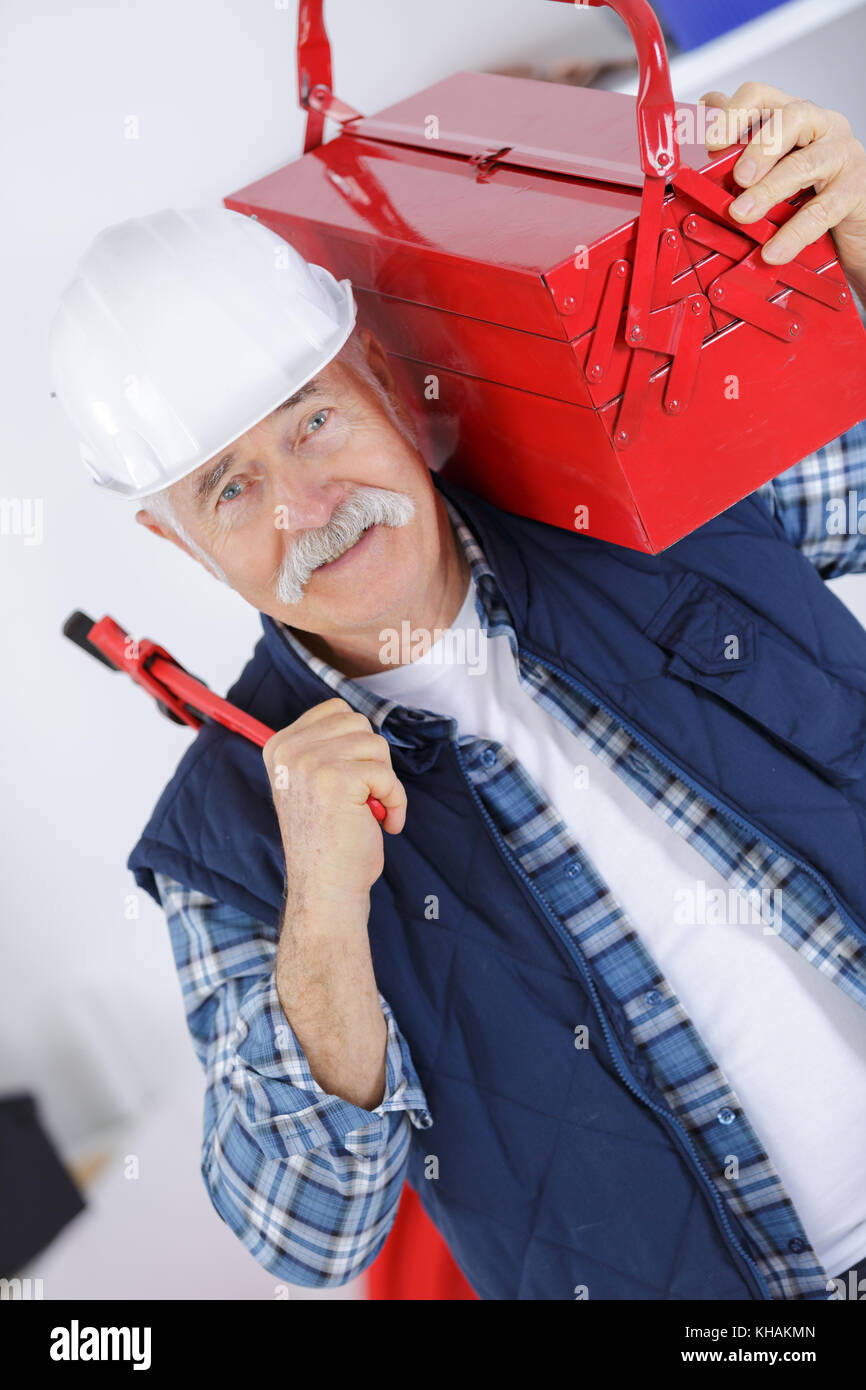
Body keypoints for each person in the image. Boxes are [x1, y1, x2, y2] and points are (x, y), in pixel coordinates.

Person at [50, 84, 866, 1301]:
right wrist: (323, 911)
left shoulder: (648, 493)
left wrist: (852, 253)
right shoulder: (220, 839)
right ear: (178, 545)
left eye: (313, 420)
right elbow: (308, 1230)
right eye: (228, 489)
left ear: (380, 377)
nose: (305, 507)